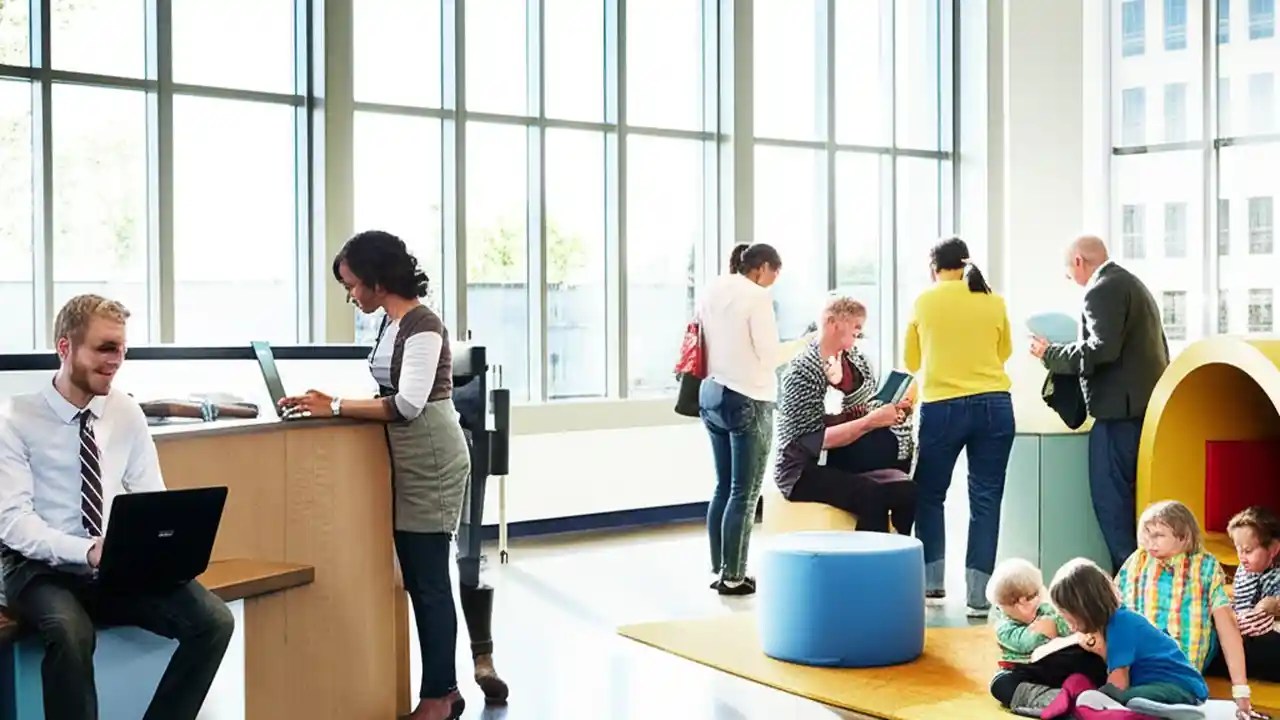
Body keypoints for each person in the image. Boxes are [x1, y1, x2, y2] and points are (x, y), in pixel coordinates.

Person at [0, 294, 235, 720]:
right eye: (105, 348)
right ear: (65, 347)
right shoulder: (15, 418)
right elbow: (14, 524)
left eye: (122, 350)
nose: (116, 361)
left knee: (214, 622)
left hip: (113, 562)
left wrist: (164, 548)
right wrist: (86, 550)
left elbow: (151, 494)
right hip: (35, 567)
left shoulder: (125, 410)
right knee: (71, 632)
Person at [280, 231, 483, 720]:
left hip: (430, 456)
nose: (350, 295)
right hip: (408, 454)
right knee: (419, 575)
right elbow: (386, 390)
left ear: (376, 279)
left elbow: (409, 404)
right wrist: (332, 406)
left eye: (352, 285)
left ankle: (441, 695)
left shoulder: (423, 324)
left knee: (429, 578)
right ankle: (442, 690)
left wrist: (334, 407)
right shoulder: (390, 324)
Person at [1031, 235, 1170, 573]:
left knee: (1113, 506)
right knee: (1136, 506)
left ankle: (1127, 583)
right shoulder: (1133, 285)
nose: (1071, 279)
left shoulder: (1101, 289)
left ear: (1079, 261)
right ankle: (1140, 581)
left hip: (1117, 416)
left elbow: (1101, 348)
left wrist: (1049, 354)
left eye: (1068, 271)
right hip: (1143, 412)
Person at [904, 236, 1015, 617]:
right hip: (995, 407)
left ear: (934, 268)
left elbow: (910, 358)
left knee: (930, 494)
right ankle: (978, 598)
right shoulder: (994, 301)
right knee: (986, 500)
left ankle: (932, 584)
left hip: (942, 407)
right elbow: (1005, 353)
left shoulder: (925, 301)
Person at [697, 242, 802, 596]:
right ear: (761, 268)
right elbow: (770, 355)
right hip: (748, 398)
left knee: (723, 486)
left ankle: (720, 566)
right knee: (745, 492)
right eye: (774, 273)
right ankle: (734, 576)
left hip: (712, 392)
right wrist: (805, 342)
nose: (773, 282)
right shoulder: (756, 298)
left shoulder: (713, 288)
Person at [773, 295, 916, 535]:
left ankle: (896, 558)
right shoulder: (802, 370)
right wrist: (871, 420)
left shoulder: (853, 359)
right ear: (832, 323)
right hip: (800, 471)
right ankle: (865, 567)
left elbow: (863, 401)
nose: (858, 336)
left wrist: (885, 410)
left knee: (908, 491)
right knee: (871, 496)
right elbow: (815, 439)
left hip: (839, 457)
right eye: (855, 329)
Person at [1114, 501, 1252, 709]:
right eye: (1147, 534)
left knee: (1162, 691)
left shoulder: (1205, 565)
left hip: (1182, 665)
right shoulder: (1138, 561)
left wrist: (1241, 690)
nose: (1150, 542)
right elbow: (1112, 605)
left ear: (1183, 536)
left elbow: (1226, 623)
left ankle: (1128, 699)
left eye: (1159, 535)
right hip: (1139, 663)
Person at [1046, 557, 1221, 718]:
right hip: (1162, 686)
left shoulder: (1120, 625)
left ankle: (1176, 712)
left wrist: (1099, 696)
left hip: (1180, 688)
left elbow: (1119, 682)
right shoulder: (1114, 624)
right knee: (1123, 697)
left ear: (1088, 608)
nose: (1071, 626)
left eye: (1071, 617)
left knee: (1126, 697)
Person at [986, 558, 1107, 714]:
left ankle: (1088, 692)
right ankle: (1056, 700)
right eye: (1013, 602)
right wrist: (1043, 630)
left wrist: (1057, 625)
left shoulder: (1046, 609)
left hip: (1058, 664)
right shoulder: (1003, 626)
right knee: (1000, 683)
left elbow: (1071, 627)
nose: (1024, 606)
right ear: (1000, 605)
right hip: (1027, 670)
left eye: (1030, 597)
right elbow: (1024, 643)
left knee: (1086, 655)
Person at [1209, 505, 1280, 681]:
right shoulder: (1245, 570)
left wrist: (1274, 605)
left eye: (1248, 551)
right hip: (1246, 623)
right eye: (1238, 550)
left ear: (1273, 549)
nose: (1241, 556)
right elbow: (1240, 602)